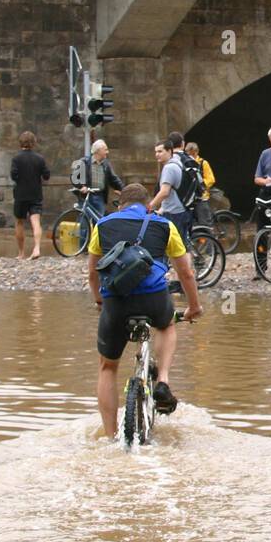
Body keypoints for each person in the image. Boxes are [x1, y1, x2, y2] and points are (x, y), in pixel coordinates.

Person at [87, 183, 203, 440]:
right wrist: (194, 307)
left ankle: (110, 436)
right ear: (147, 204)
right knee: (165, 325)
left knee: (107, 367)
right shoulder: (163, 225)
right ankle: (162, 380)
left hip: (116, 302)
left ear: (120, 205)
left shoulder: (103, 225)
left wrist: (99, 302)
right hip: (153, 298)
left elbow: (93, 273)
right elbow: (186, 273)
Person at [10, 131, 50, 259]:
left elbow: (13, 175)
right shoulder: (40, 158)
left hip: (21, 194)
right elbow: (46, 175)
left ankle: (21, 253)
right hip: (35, 193)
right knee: (35, 221)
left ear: (21, 143)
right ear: (34, 143)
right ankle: (37, 247)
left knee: (19, 222)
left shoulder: (16, 158)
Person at [148, 138, 192, 240]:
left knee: (175, 249)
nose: (157, 154)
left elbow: (164, 192)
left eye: (160, 151)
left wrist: (150, 206)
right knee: (179, 246)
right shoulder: (177, 163)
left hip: (174, 213)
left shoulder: (169, 168)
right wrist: (162, 209)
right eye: (156, 152)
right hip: (179, 210)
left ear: (169, 151)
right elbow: (174, 191)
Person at [76, 139, 124, 220]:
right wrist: (81, 186)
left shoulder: (106, 164)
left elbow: (114, 179)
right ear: (98, 151)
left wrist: (125, 190)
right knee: (84, 221)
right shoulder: (84, 162)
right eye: (105, 150)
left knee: (99, 221)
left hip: (99, 196)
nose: (107, 152)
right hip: (85, 196)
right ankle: (84, 233)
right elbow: (75, 177)